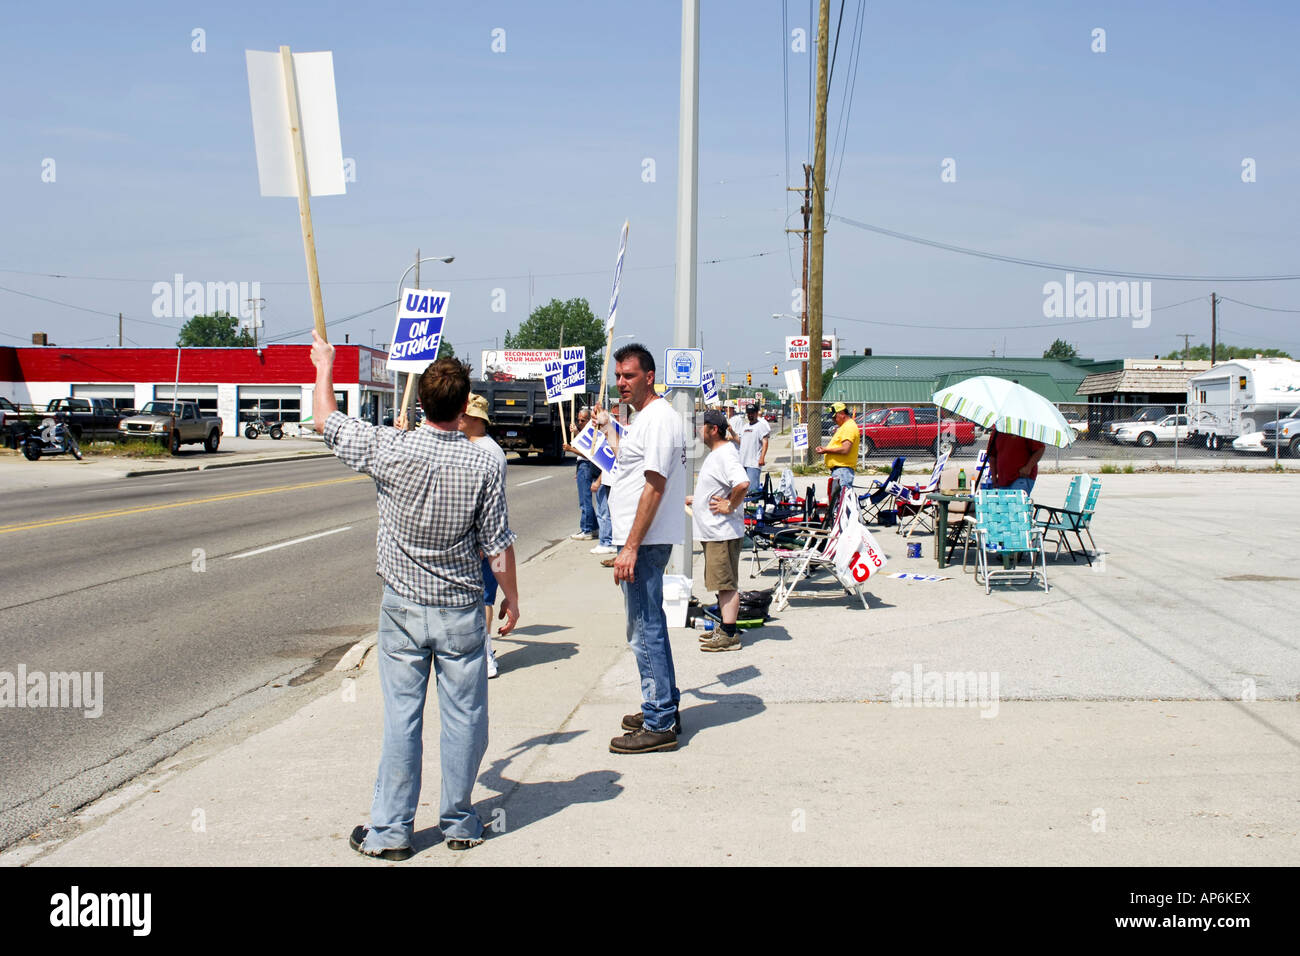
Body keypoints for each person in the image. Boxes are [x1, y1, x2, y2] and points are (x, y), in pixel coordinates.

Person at [310, 333, 520, 860]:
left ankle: (390, 833)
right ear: (463, 405)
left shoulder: (390, 448)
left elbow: (325, 421)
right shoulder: (484, 463)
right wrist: (512, 598)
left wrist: (325, 365)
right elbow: (497, 544)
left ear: (421, 403)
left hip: (402, 608)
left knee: (403, 719)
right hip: (461, 609)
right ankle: (459, 820)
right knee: (465, 718)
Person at [600, 343, 686, 754]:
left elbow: (655, 485)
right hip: (642, 540)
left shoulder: (659, 419)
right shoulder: (646, 419)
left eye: (629, 376)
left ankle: (659, 721)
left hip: (646, 542)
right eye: (618, 376)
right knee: (649, 624)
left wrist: (630, 546)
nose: (621, 383)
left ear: (649, 376)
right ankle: (663, 704)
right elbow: (633, 468)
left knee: (644, 628)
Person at [687, 409, 750, 653]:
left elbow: (742, 483)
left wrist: (730, 505)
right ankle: (725, 628)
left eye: (701, 426)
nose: (697, 430)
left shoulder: (725, 454)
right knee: (721, 583)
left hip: (722, 532)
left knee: (726, 584)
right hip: (715, 532)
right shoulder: (718, 453)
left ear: (713, 429)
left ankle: (729, 634)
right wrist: (698, 499)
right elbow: (720, 485)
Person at [458, 393, 507, 679]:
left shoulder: (487, 451)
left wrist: (480, 539)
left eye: (464, 415)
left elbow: (485, 501)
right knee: (478, 596)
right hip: (482, 539)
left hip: (486, 540)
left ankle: (486, 652)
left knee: (485, 598)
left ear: (476, 419)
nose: (460, 419)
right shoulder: (475, 446)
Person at [565, 408, 598, 541]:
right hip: (582, 466)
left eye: (582, 420)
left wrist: (570, 449)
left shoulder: (592, 432)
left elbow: (588, 454)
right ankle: (594, 527)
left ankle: (587, 529)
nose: (580, 422)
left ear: (589, 420)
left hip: (586, 465)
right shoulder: (585, 431)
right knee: (584, 500)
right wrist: (577, 432)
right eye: (578, 420)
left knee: (585, 501)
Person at [815, 402, 860, 501]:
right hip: (840, 471)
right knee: (836, 503)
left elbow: (845, 449)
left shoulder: (849, 427)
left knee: (840, 503)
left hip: (843, 471)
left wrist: (826, 450)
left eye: (834, 417)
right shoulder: (845, 426)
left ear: (842, 413)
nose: (833, 420)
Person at [986, 427, 1046, 497]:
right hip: (1002, 479)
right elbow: (992, 455)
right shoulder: (998, 430)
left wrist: (1028, 468)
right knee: (1005, 506)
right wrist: (993, 476)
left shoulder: (1025, 428)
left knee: (1017, 504)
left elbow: (1040, 449)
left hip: (1021, 477)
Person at [728, 403, 770, 493]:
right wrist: (731, 431)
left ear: (756, 413)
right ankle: (745, 507)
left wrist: (762, 457)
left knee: (752, 490)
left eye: (752, 413)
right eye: (749, 413)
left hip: (753, 463)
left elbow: (765, 442)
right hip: (743, 462)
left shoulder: (761, 426)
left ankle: (754, 506)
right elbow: (740, 441)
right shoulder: (745, 427)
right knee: (741, 490)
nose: (750, 415)